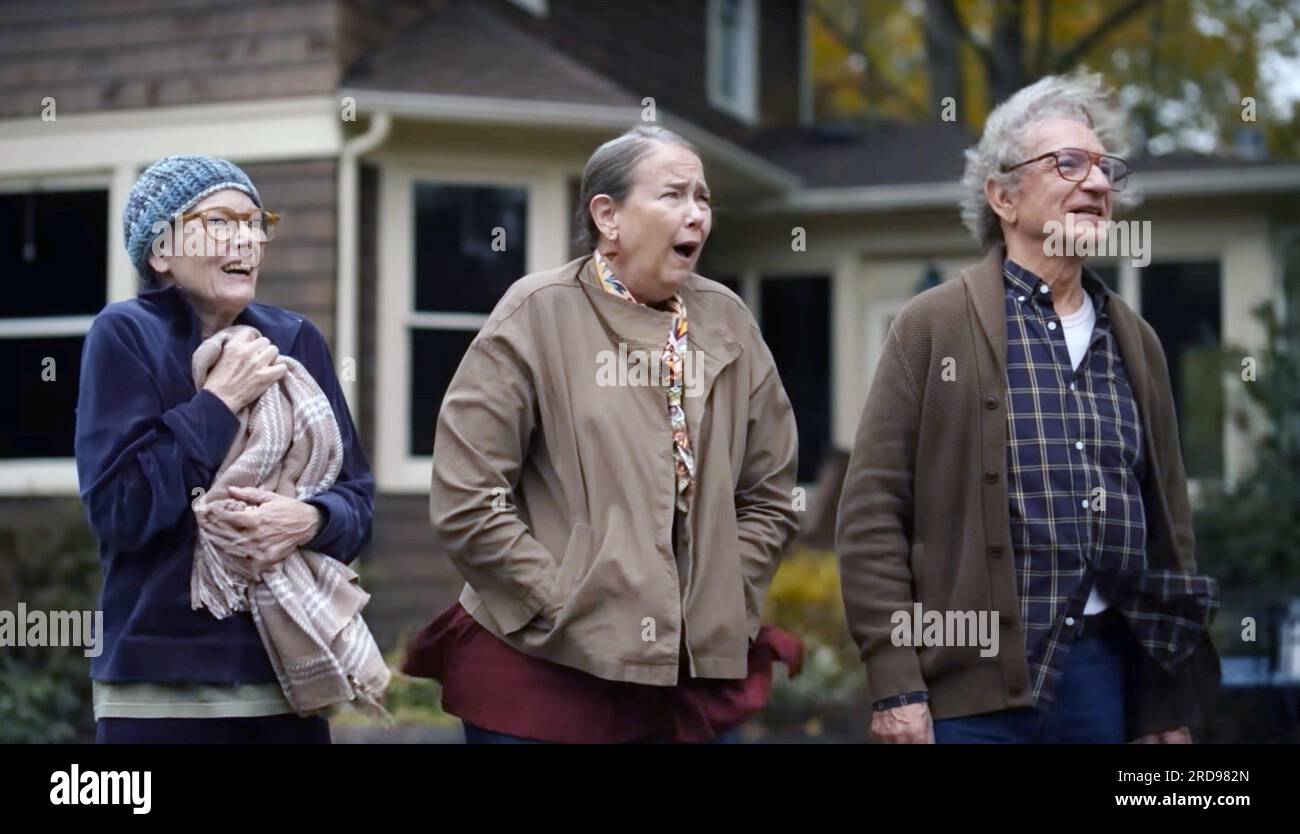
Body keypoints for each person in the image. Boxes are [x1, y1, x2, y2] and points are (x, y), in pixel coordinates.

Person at [836, 73, 1219, 744]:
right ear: (1003, 197)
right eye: (1068, 164)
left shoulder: (1137, 341)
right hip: (967, 695)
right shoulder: (933, 326)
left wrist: (1164, 699)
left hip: (1101, 678)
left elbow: (1169, 529)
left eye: (1105, 168)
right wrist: (896, 684)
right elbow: (872, 513)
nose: (1097, 183)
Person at [403, 126, 803, 743]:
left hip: (686, 678)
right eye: (672, 194)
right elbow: (468, 498)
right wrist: (562, 598)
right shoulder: (537, 311)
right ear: (607, 216)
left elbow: (770, 495)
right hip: (539, 675)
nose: (696, 213)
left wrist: (725, 593)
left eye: (702, 198)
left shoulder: (728, 320)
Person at [75, 155, 375, 744]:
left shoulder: (293, 340)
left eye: (256, 222)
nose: (247, 239)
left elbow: (357, 502)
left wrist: (311, 519)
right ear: (161, 251)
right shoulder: (125, 334)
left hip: (291, 679)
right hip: (161, 695)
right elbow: (121, 510)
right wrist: (218, 401)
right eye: (220, 221)